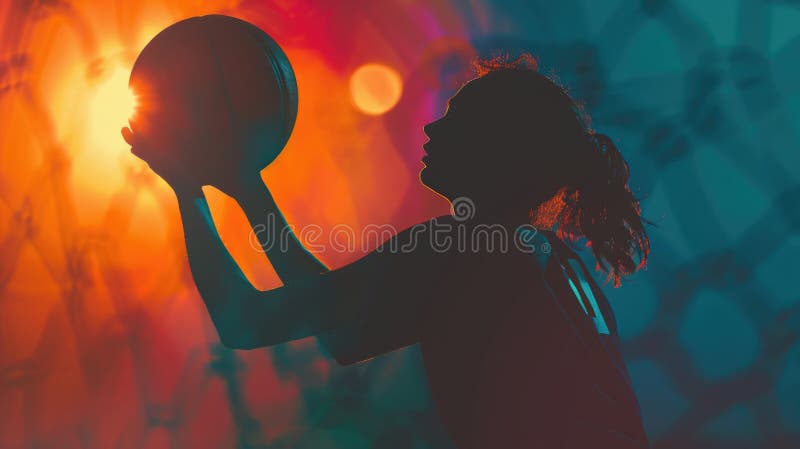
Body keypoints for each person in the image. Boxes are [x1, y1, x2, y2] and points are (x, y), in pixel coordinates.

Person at [122, 54, 651, 448]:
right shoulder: (545, 256)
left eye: (455, 119)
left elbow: (247, 322)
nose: (430, 126)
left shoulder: (462, 248)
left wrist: (187, 189)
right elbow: (342, 328)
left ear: (493, 147)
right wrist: (244, 187)